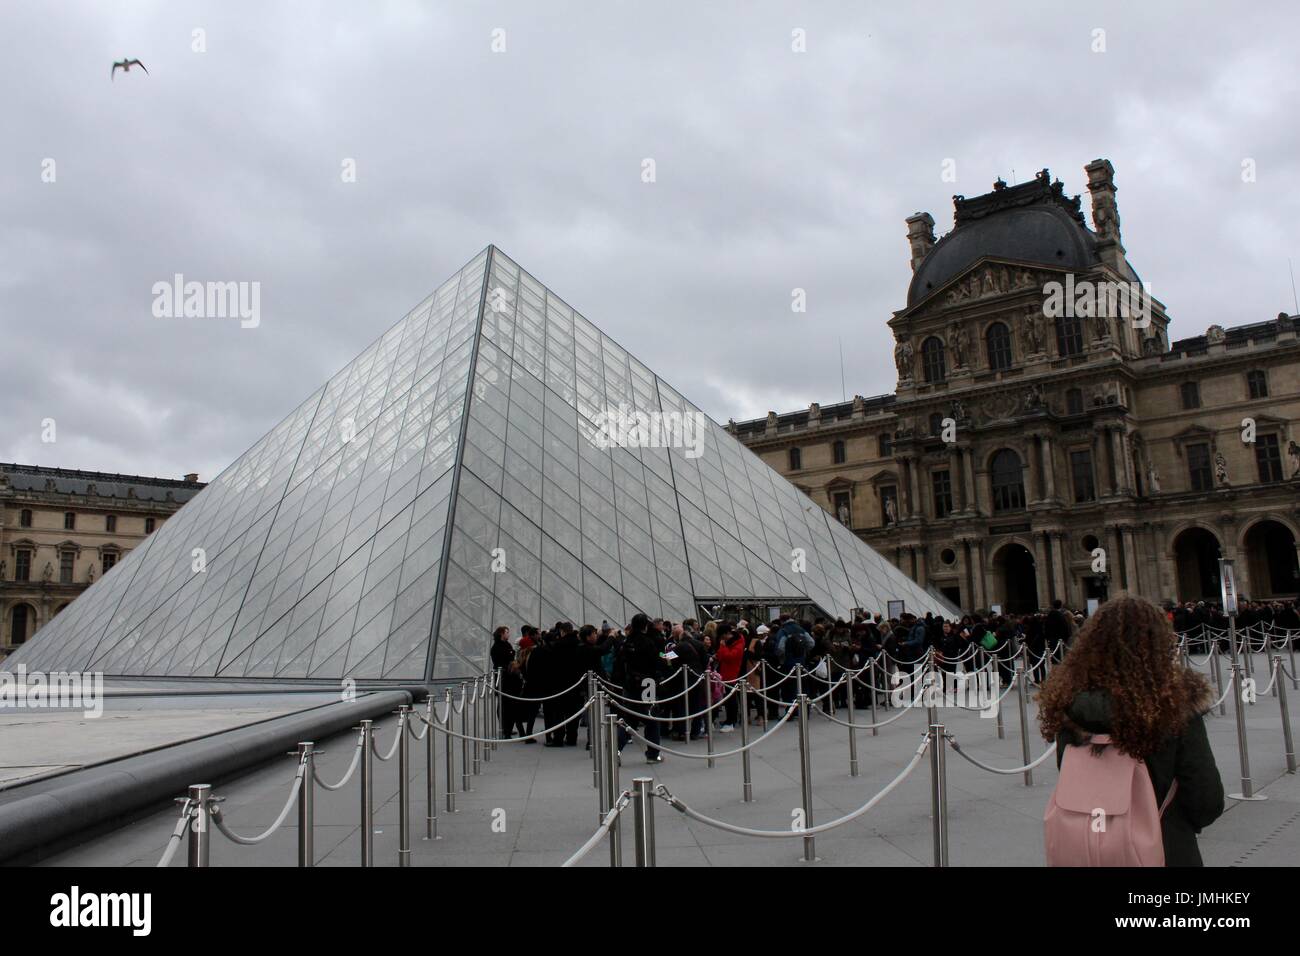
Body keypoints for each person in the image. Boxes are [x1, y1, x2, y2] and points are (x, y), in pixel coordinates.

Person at [1037, 596, 1225, 866]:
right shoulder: (1172, 706)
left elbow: (1067, 771)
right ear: (1158, 643)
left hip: (1087, 848)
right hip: (1165, 845)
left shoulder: (1072, 705)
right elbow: (1206, 799)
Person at [614, 613, 666, 764]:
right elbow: (658, 660)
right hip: (647, 683)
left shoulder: (627, 642)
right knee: (651, 718)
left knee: (628, 718)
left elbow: (620, 662)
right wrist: (668, 658)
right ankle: (652, 754)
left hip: (631, 683)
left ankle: (615, 750)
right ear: (645, 625)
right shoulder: (648, 642)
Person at [715, 622, 745, 731]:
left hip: (732, 673)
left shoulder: (738, 643)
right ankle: (729, 719)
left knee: (731, 699)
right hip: (726, 672)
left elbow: (729, 657)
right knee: (728, 698)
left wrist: (722, 647)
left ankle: (731, 721)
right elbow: (721, 655)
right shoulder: (731, 642)